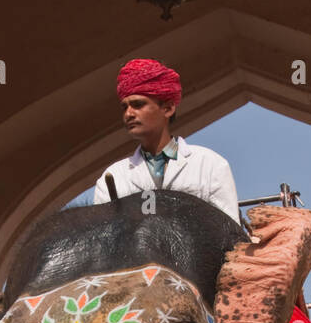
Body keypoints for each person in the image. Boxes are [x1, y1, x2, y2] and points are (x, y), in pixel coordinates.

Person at [93, 58, 240, 221]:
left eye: (138, 105)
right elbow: (103, 240)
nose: (129, 114)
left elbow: (230, 232)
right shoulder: (114, 176)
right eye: (125, 107)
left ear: (168, 108)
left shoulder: (210, 165)